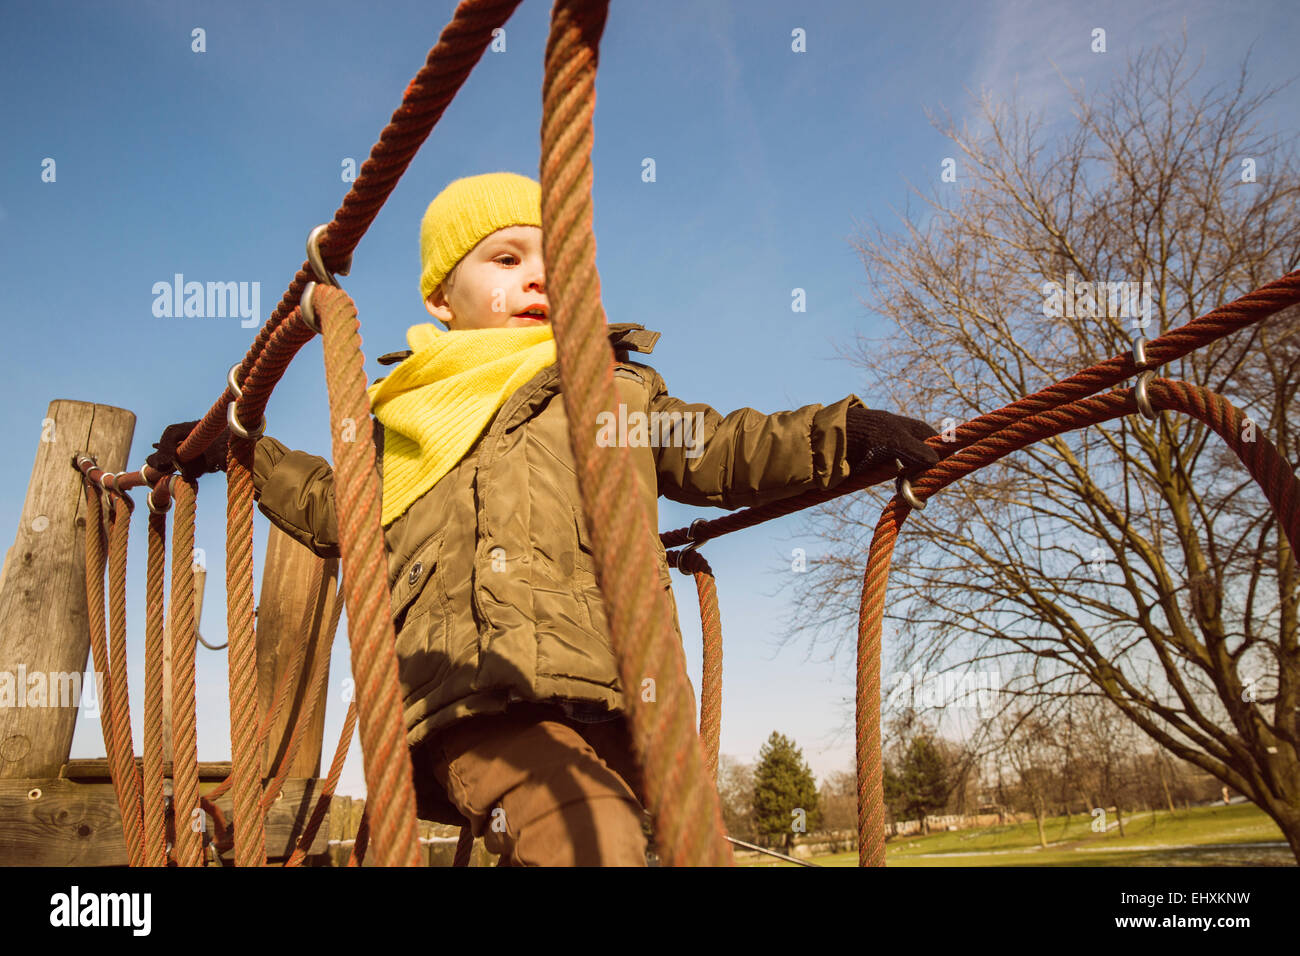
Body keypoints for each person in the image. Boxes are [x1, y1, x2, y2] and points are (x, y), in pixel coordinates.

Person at [148, 171, 940, 866]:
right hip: (478, 702)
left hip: (627, 693)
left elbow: (721, 448)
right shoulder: (407, 421)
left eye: (556, 263)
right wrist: (243, 452)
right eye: (506, 260)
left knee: (676, 848)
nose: (540, 281)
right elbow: (336, 509)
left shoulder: (610, 391)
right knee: (590, 838)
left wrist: (841, 434)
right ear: (439, 297)